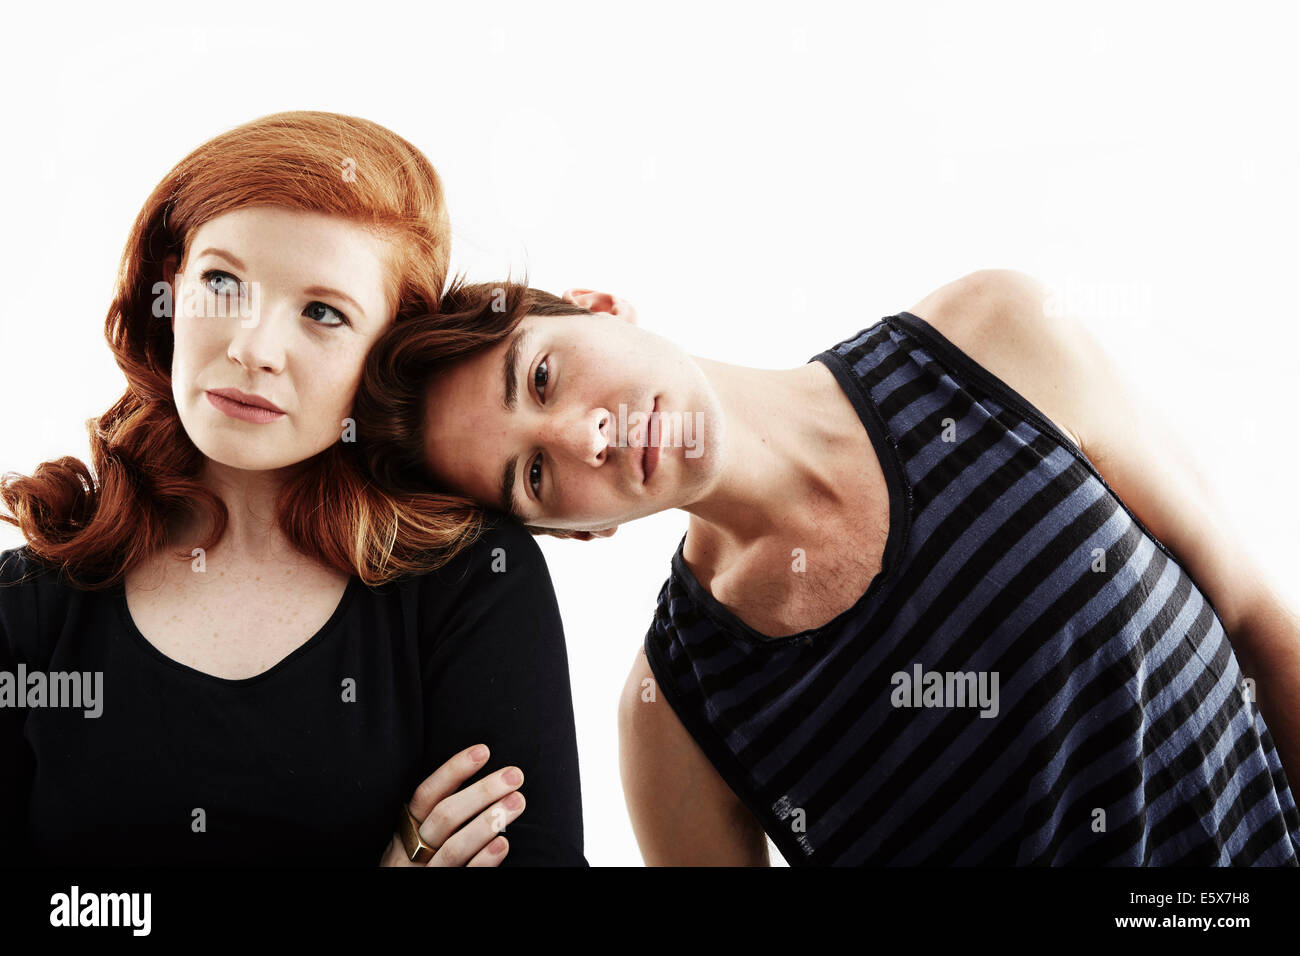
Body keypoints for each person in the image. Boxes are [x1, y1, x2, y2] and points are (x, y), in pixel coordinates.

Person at [355, 267, 1300, 865]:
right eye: (534, 473)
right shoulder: (677, 725)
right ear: (574, 533)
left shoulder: (989, 339)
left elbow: (1256, 619)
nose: (583, 436)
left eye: (542, 377)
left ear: (599, 305)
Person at [0, 112, 586, 866]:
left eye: (322, 313)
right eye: (221, 281)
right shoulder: (31, 605)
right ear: (168, 288)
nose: (252, 349)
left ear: (388, 354)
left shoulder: (469, 582)